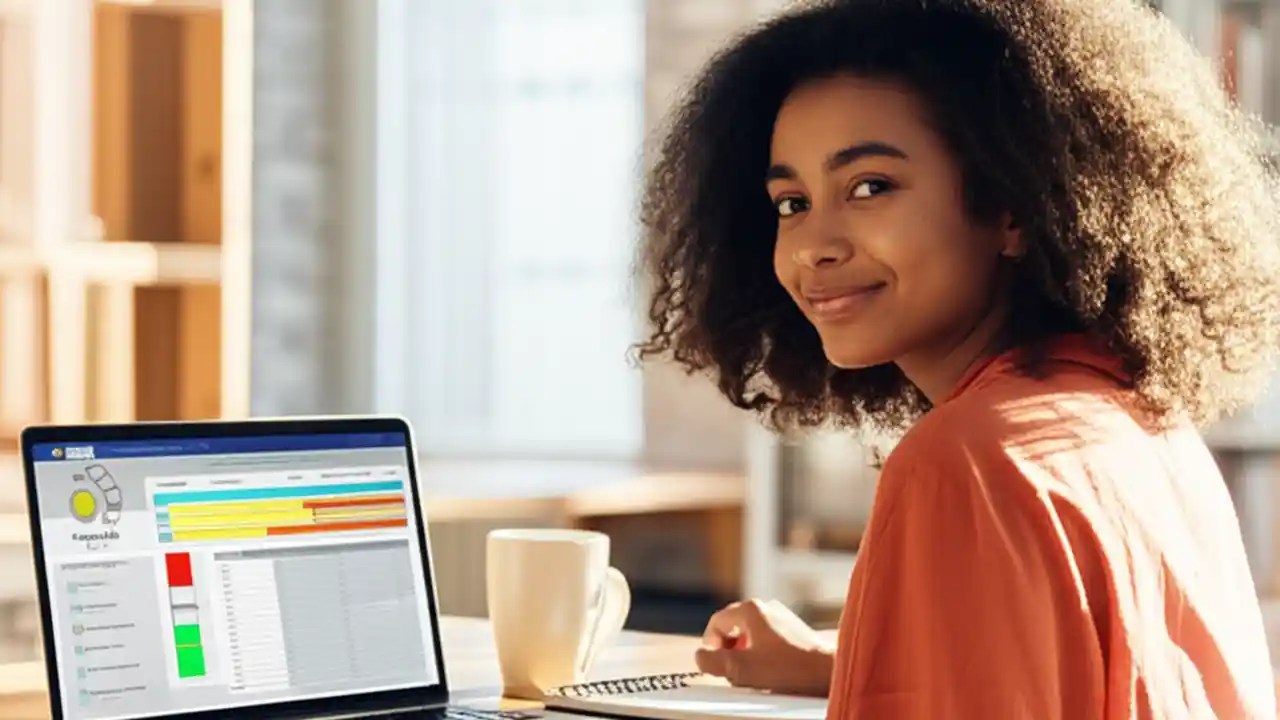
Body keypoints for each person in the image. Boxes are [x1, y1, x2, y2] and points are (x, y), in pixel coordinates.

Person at [633, 0, 1280, 717]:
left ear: (1014, 209)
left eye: (870, 187)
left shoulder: (968, 459)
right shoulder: (1141, 426)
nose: (815, 244)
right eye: (791, 203)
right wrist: (842, 661)